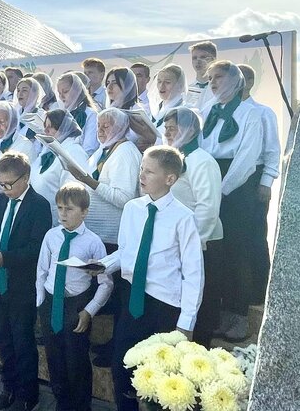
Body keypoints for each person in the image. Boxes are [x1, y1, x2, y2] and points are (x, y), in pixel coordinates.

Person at [95, 146, 204, 411]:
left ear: (170, 179)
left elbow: (193, 273)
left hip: (163, 306)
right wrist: (102, 265)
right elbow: (127, 252)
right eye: (141, 169)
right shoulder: (133, 208)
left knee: (157, 377)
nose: (141, 175)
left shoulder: (184, 218)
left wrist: (186, 321)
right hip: (132, 299)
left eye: (149, 171)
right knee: (123, 368)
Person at [199, 60, 264, 342]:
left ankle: (238, 314)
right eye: (210, 78)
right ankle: (215, 313)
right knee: (214, 251)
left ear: (236, 81)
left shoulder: (251, 114)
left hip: (235, 185)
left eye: (219, 77)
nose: (213, 82)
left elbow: (247, 159)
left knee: (237, 249)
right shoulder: (208, 111)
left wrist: (221, 190)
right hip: (211, 177)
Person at [0, 152, 51, 411]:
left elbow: (36, 249)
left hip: (21, 285)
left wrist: (6, 258)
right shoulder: (0, 201)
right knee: (2, 338)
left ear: (26, 178)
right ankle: (8, 388)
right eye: (1, 183)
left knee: (22, 341)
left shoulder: (39, 205)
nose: (5, 189)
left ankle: (27, 394)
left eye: (10, 183)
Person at [37, 183, 113, 411]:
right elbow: (42, 270)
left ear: (84, 212)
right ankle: (62, 402)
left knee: (76, 361)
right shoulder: (51, 236)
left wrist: (89, 311)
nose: (63, 214)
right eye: (59, 208)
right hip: (51, 303)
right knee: (54, 358)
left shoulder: (92, 242)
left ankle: (80, 406)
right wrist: (40, 301)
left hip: (76, 306)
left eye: (69, 209)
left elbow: (105, 283)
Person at [163, 107, 223, 346]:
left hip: (203, 244)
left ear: (189, 129)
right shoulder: (170, 159)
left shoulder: (202, 162)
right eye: (165, 128)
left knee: (203, 304)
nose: (167, 133)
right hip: (178, 244)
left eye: (173, 128)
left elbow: (207, 209)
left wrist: (191, 244)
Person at [65, 108, 141, 247]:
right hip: (96, 236)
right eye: (98, 125)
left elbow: (124, 198)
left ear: (119, 128)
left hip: (111, 239)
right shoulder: (102, 150)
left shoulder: (125, 153)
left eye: (106, 126)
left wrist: (90, 182)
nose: (100, 130)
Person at [237, 64, 280, 306]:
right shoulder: (221, 111)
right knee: (235, 239)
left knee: (254, 235)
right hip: (232, 175)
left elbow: (272, 149)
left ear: (251, 82)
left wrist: (266, 182)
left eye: (244, 79)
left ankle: (259, 294)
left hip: (255, 176)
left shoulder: (263, 112)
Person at [30, 109, 89, 226]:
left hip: (58, 221)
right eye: (45, 126)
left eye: (50, 127)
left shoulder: (74, 152)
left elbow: (72, 193)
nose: (45, 131)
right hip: (38, 216)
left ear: (63, 128)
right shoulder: (48, 149)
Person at [104, 67, 158, 152]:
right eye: (107, 83)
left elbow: (138, 137)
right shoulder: (108, 111)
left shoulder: (136, 110)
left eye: (115, 83)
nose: (109, 87)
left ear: (126, 84)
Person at [56, 72, 100, 155]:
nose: (61, 96)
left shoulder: (90, 114)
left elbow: (90, 148)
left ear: (77, 90)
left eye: (65, 91)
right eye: (59, 93)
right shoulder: (63, 115)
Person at [151, 64, 186, 144]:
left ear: (180, 86)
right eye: (159, 81)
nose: (161, 86)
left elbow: (178, 139)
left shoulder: (183, 111)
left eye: (167, 82)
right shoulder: (156, 108)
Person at [185, 40, 217, 112]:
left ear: (213, 60)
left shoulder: (220, 89)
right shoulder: (187, 90)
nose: (198, 61)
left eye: (203, 57)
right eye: (194, 58)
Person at [14, 77, 42, 142]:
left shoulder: (40, 115)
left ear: (35, 93)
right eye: (18, 90)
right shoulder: (15, 115)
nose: (20, 94)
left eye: (24, 90)